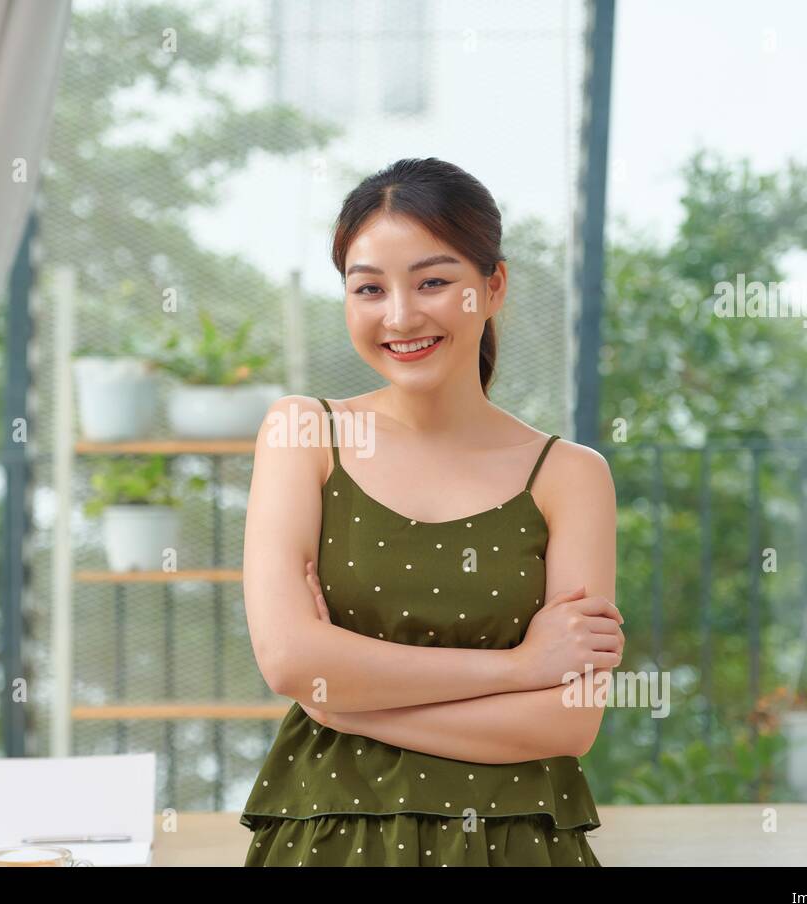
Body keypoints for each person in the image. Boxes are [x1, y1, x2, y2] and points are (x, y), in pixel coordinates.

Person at [239, 157, 624, 866]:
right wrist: (520, 668)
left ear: (493, 286)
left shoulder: (572, 476)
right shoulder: (303, 432)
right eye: (369, 288)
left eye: (434, 282)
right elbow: (294, 660)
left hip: (516, 846)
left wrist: (348, 702)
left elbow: (568, 723)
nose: (400, 315)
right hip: (328, 840)